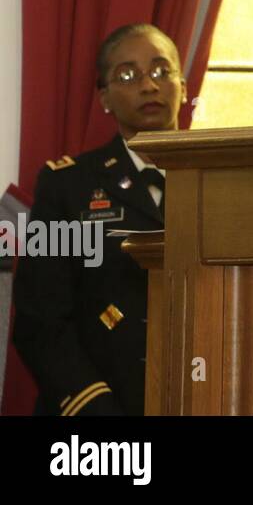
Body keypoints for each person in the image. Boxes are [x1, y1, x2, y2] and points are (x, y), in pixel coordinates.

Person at [13, 23, 185, 415]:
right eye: (128, 75)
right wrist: (95, 407)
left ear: (184, 85)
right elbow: (40, 320)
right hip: (99, 408)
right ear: (104, 97)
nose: (148, 85)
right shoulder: (67, 187)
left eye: (161, 71)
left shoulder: (220, 179)